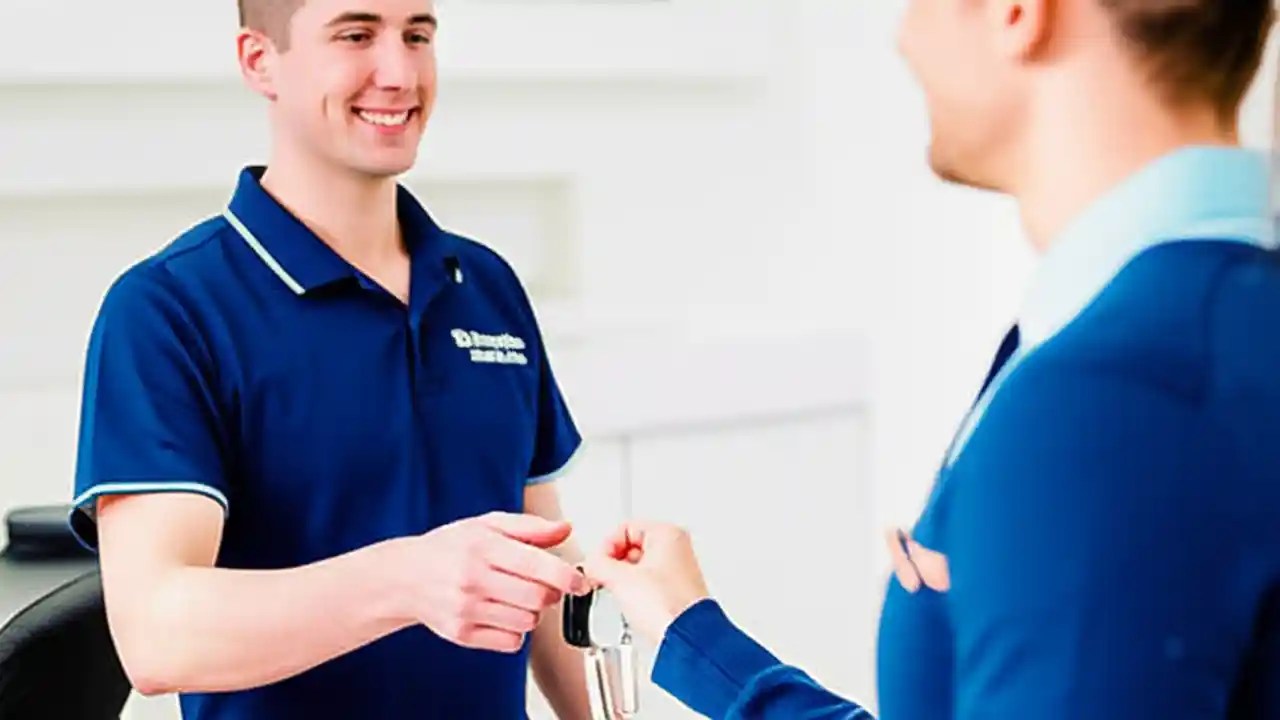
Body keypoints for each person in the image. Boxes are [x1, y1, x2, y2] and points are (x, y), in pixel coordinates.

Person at [584, 1, 1280, 718]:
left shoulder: (1110, 401)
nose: (905, 36)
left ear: (1018, 12)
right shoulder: (1193, 334)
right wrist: (701, 644)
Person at [67, 1, 596, 718]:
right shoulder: (168, 309)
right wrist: (408, 580)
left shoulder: (486, 286)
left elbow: (542, 570)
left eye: (417, 35)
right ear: (260, 61)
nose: (400, 72)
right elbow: (158, 634)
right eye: (356, 35)